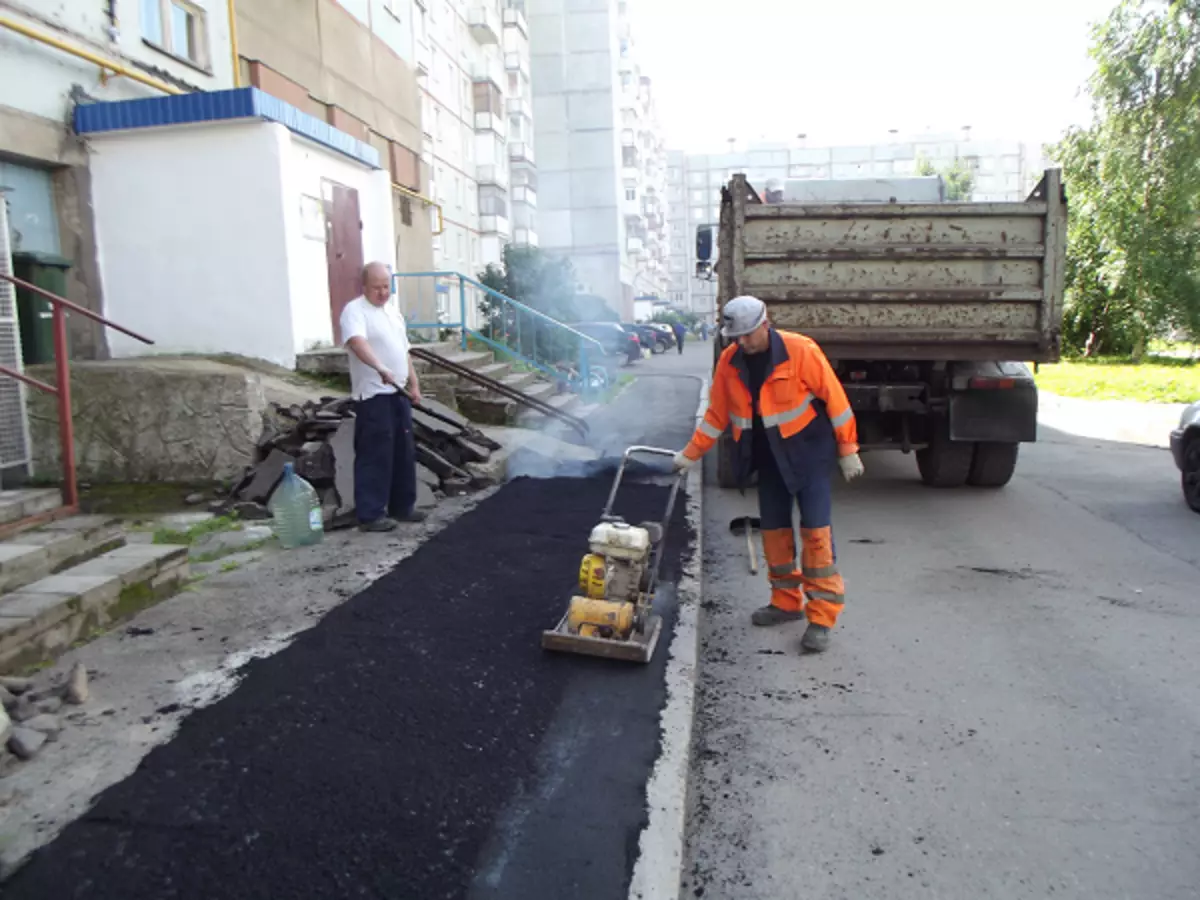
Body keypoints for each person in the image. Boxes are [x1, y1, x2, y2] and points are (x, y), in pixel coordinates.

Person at [672, 296, 864, 653]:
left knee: (816, 536)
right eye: (735, 336)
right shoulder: (731, 361)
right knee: (775, 535)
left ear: (765, 324)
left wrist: (848, 450)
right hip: (769, 460)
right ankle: (785, 603)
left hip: (808, 456)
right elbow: (717, 415)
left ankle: (821, 618)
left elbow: (835, 401)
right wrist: (690, 454)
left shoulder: (800, 350)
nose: (741, 343)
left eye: (746, 335)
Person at [340, 262, 426, 532]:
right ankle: (371, 514)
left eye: (386, 286)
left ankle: (402, 507)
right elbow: (357, 343)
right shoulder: (355, 311)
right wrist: (380, 368)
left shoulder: (393, 313)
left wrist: (414, 384)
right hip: (374, 395)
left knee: (403, 452)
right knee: (375, 453)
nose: (382, 292)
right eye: (376, 287)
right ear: (364, 286)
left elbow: (404, 352)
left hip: (398, 393)